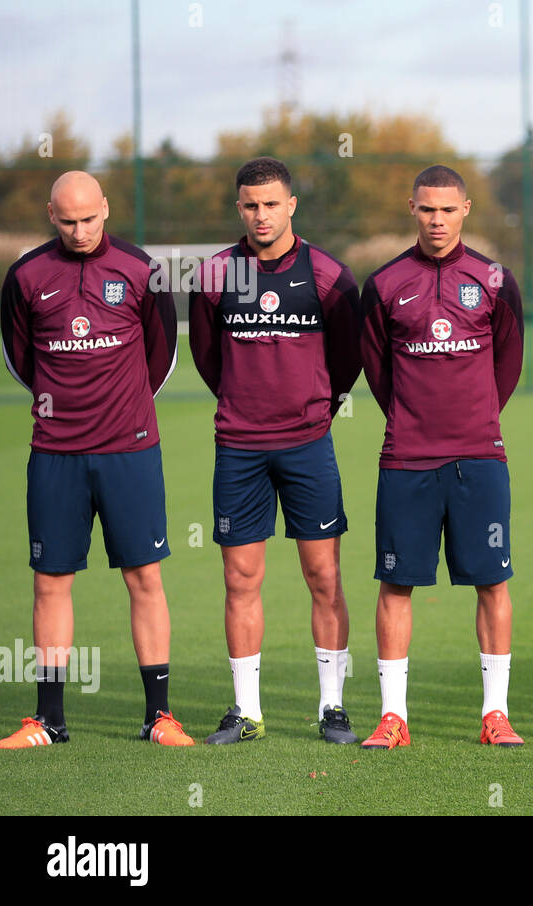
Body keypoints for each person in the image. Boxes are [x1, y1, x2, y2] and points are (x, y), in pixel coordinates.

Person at [0, 170, 192, 747]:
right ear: (50, 216)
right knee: (51, 581)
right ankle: (49, 720)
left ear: (106, 209)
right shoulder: (26, 275)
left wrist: (122, 412)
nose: (80, 230)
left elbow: (161, 356)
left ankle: (159, 715)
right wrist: (64, 410)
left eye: (89, 218)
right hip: (55, 452)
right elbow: (19, 358)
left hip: (130, 451)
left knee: (144, 577)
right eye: (67, 220)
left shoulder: (140, 271)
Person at [189, 157, 364, 744]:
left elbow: (347, 360)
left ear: (292, 205)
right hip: (238, 447)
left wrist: (311, 408)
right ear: (239, 208)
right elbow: (208, 359)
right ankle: (246, 713)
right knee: (240, 579)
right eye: (250, 205)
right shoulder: (216, 275)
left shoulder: (329, 276)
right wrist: (247, 401)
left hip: (308, 445)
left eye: (271, 204)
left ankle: (332, 708)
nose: (261, 215)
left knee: (323, 576)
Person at [358, 165, 525, 749]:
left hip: (479, 455)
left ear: (466, 209)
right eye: (427, 209)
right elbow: (377, 370)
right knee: (396, 584)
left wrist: (475, 417)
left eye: (448, 210)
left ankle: (496, 714)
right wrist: (413, 418)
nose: (437, 220)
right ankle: (393, 717)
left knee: (492, 583)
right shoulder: (383, 284)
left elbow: (508, 363)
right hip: (408, 456)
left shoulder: (495, 280)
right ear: (412, 208)